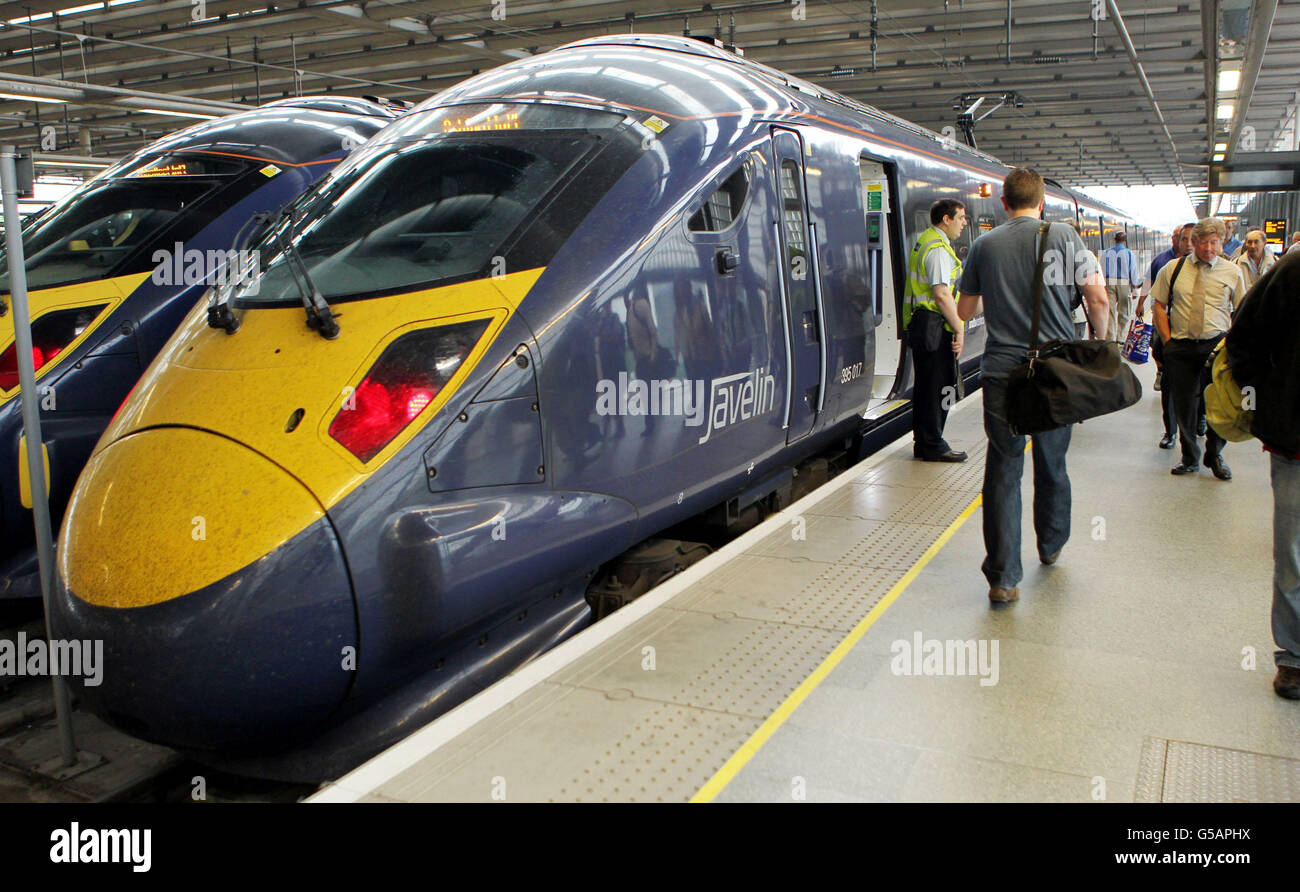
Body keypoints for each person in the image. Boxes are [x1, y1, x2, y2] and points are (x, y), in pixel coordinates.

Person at [956, 168, 1108, 604]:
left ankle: (1003, 578)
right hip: (1055, 372)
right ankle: (1052, 544)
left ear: (1003, 203)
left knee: (1003, 470)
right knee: (1052, 461)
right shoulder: (1063, 236)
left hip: (1002, 371)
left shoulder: (984, 244)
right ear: (1042, 202)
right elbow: (1096, 297)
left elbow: (966, 311)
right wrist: (1099, 341)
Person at [1223, 251, 1300, 699]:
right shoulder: (1292, 271)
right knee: (1292, 552)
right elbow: (1244, 340)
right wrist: (1269, 401)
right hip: (1295, 439)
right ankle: (1293, 657)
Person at [1148, 217, 1246, 480]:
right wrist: (1168, 342)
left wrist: (1235, 346)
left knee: (1218, 403)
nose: (1209, 249)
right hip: (1180, 346)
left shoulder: (1232, 272)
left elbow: (1241, 312)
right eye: (1203, 243)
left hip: (1216, 346)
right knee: (1184, 406)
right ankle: (1189, 456)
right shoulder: (1173, 268)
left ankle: (1214, 454)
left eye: (1214, 243)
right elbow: (1158, 305)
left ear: (1222, 241)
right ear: (1193, 242)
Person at [904, 198, 969, 463]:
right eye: (961, 217)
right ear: (946, 218)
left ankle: (925, 442)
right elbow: (942, 294)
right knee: (937, 387)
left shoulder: (926, 240)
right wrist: (960, 328)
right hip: (934, 326)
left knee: (926, 386)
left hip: (924, 324)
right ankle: (933, 444)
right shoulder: (938, 249)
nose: (964, 223)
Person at [1136, 224, 1195, 449]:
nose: (1186, 243)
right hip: (1170, 332)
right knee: (1170, 384)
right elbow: (1154, 295)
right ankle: (1170, 431)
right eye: (1182, 238)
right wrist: (1141, 304)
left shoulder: (1216, 268)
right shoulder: (1165, 264)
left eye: (1191, 239)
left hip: (1199, 337)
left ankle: (1198, 420)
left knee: (1197, 386)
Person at [1100, 231, 1141, 345]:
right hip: (1124, 283)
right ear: (1125, 241)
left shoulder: (1106, 252)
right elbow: (1132, 271)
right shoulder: (1129, 253)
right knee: (1124, 311)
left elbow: (1102, 269)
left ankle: (1110, 338)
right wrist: (1135, 287)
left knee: (1110, 311)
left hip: (1109, 282)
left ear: (1115, 240)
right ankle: (1121, 338)